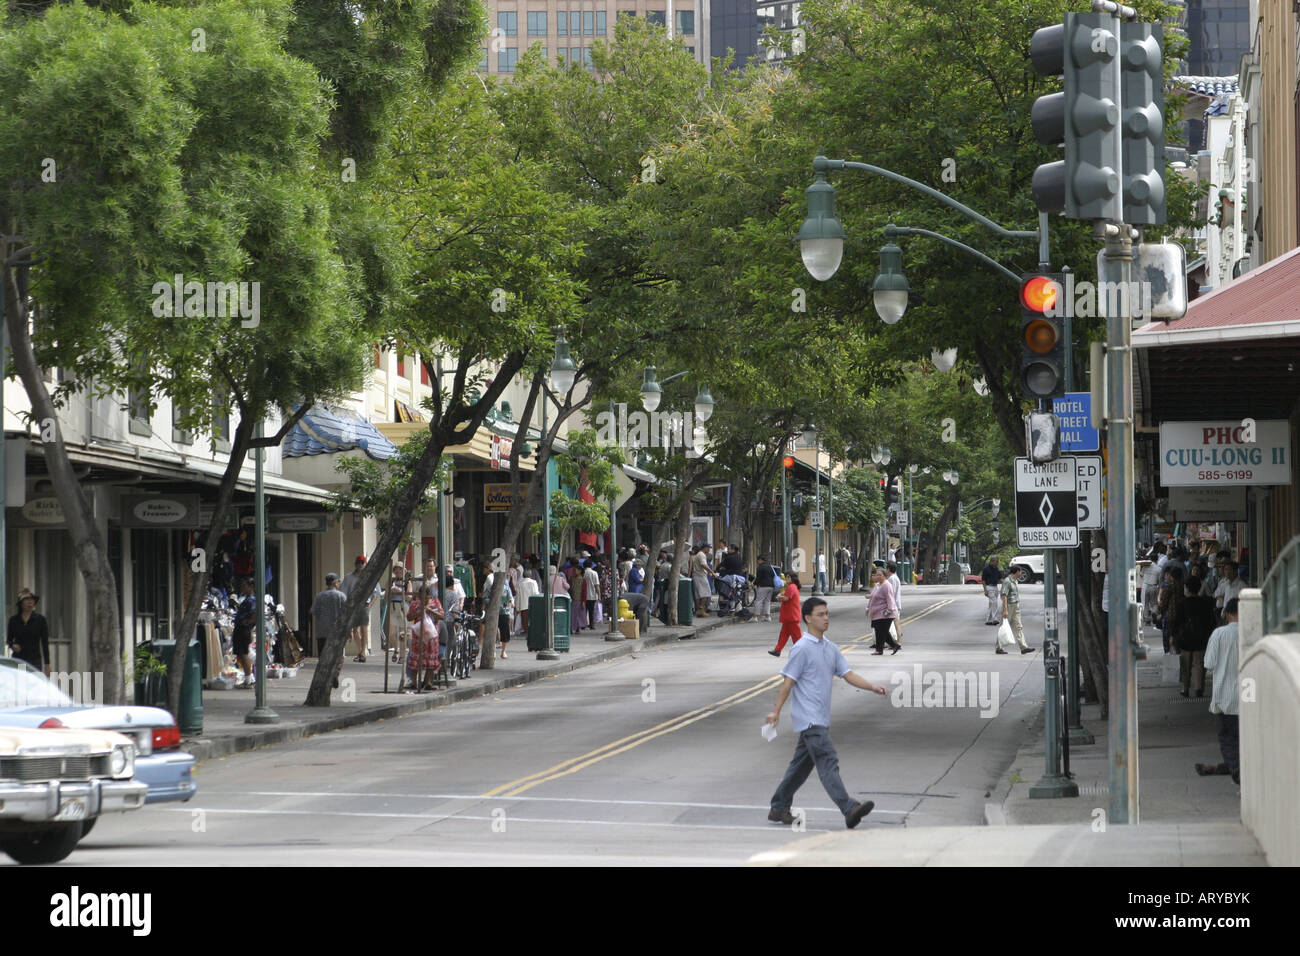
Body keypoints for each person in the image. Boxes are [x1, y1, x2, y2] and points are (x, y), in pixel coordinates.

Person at [764, 597, 884, 830]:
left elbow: (848, 674)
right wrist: (775, 711)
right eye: (821, 614)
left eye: (827, 613)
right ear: (808, 618)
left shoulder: (830, 648)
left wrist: (872, 687)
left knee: (799, 767)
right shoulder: (801, 648)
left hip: (819, 717)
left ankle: (779, 807)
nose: (826, 618)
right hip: (809, 719)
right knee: (828, 761)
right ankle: (849, 808)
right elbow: (788, 683)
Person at [1198, 598, 1241, 783]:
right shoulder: (1256, 632)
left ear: (1228, 614)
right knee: (1244, 740)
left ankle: (1239, 775)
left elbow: (1208, 663)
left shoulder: (1219, 634)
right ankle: (1229, 768)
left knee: (1228, 739)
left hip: (1226, 696)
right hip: (1250, 696)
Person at [1171, 576, 1214, 698]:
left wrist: (1173, 635)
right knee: (1199, 663)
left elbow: (1177, 621)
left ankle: (1185, 688)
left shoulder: (1182, 603)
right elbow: (1210, 621)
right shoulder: (1205, 602)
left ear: (1187, 588)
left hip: (1185, 638)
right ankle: (1199, 688)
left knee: (1186, 664)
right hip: (1201, 637)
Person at [310, 573, 349, 688]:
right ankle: (335, 674)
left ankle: (324, 677)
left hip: (322, 631)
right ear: (335, 583)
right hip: (336, 631)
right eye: (338, 582)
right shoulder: (341, 596)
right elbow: (346, 613)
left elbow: (314, 612)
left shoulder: (319, 596)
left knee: (323, 656)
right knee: (338, 656)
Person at [341, 555, 381, 663]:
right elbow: (343, 593)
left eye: (362, 563)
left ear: (365, 564)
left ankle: (363, 652)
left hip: (364, 604)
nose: (360, 565)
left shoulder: (370, 577)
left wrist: (370, 605)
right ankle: (360, 651)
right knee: (354, 630)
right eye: (358, 562)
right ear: (355, 564)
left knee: (364, 629)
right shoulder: (349, 577)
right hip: (352, 605)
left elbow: (376, 593)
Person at [406, 584, 443, 691]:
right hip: (418, 635)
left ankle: (428, 682)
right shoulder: (415, 604)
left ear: (429, 596)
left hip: (432, 635)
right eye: (421, 596)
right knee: (416, 658)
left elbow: (441, 616)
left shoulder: (435, 603)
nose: (423, 599)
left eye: (425, 597)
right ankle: (414, 681)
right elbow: (409, 617)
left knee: (430, 658)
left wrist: (430, 610)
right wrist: (419, 612)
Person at [6, 588, 51, 675]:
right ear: (21, 603)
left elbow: (45, 643)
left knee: (33, 685)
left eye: (32, 599)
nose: (30, 602)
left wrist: (47, 664)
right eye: (26, 599)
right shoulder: (14, 620)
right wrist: (13, 645)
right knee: (21, 684)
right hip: (19, 659)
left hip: (34, 660)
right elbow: (9, 640)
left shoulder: (40, 620)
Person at [998, 564, 1034, 655]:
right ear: (1017, 571)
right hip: (1009, 606)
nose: (1021, 573)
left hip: (1016, 605)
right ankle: (999, 647)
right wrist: (1005, 610)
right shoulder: (1007, 581)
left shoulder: (1015, 581)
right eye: (1020, 571)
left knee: (1018, 626)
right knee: (1004, 626)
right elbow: (1004, 596)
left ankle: (1023, 647)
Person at [865, 566, 901, 655]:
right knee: (880, 631)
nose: (877, 577)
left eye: (880, 575)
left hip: (885, 613)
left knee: (882, 632)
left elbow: (890, 598)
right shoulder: (877, 585)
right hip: (876, 613)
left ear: (884, 576)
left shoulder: (886, 585)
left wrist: (889, 610)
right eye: (876, 575)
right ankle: (892, 646)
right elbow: (873, 597)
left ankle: (880, 649)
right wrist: (868, 607)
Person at [769, 572, 803, 657]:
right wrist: (780, 597)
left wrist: (779, 597)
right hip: (789, 615)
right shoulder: (791, 587)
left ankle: (802, 650)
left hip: (791, 615)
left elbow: (787, 598)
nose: (786, 579)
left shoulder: (791, 587)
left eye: (788, 577)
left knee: (796, 636)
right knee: (784, 634)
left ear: (792, 578)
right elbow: (785, 597)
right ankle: (777, 650)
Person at [231, 577, 258, 685]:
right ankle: (249, 677)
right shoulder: (246, 599)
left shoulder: (251, 600)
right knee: (240, 653)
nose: (242, 588)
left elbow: (255, 614)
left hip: (243, 629)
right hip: (240, 629)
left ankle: (248, 679)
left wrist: (247, 623)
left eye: (244, 586)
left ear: (251, 587)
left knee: (243, 653)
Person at [386, 564, 412, 665]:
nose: (398, 571)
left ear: (404, 570)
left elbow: (409, 597)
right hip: (392, 607)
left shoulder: (407, 582)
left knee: (402, 634)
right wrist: (390, 592)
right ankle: (396, 649)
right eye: (396, 569)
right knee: (391, 633)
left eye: (400, 569)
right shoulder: (391, 581)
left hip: (403, 608)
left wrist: (400, 591)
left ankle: (402, 656)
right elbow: (385, 597)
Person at [692, 544, 715, 617]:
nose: (709, 550)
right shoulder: (702, 555)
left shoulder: (698, 554)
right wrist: (711, 572)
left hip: (697, 575)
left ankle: (699, 609)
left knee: (698, 594)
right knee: (706, 593)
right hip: (701, 576)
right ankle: (701, 609)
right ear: (705, 548)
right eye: (708, 548)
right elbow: (703, 565)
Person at [980, 555, 1003, 626]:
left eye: (998, 562)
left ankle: (988, 620)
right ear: (992, 561)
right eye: (996, 562)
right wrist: (985, 590)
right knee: (994, 602)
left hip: (995, 587)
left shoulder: (996, 569)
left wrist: (1006, 582)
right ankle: (995, 618)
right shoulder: (986, 569)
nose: (997, 563)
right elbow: (983, 580)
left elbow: (1000, 579)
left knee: (991, 604)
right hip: (989, 587)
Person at [753, 557, 776, 624]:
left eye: (757, 560)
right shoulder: (770, 567)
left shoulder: (760, 568)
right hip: (771, 586)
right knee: (767, 601)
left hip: (763, 586)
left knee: (759, 601)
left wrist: (754, 584)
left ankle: (755, 617)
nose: (757, 562)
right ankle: (767, 616)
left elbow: (758, 578)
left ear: (760, 560)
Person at [885, 562, 903, 641]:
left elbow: (891, 592)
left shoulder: (892, 579)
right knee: (895, 623)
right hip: (895, 604)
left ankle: (897, 641)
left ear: (888, 569)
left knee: (895, 624)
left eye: (886, 568)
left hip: (894, 604)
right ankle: (896, 641)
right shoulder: (894, 578)